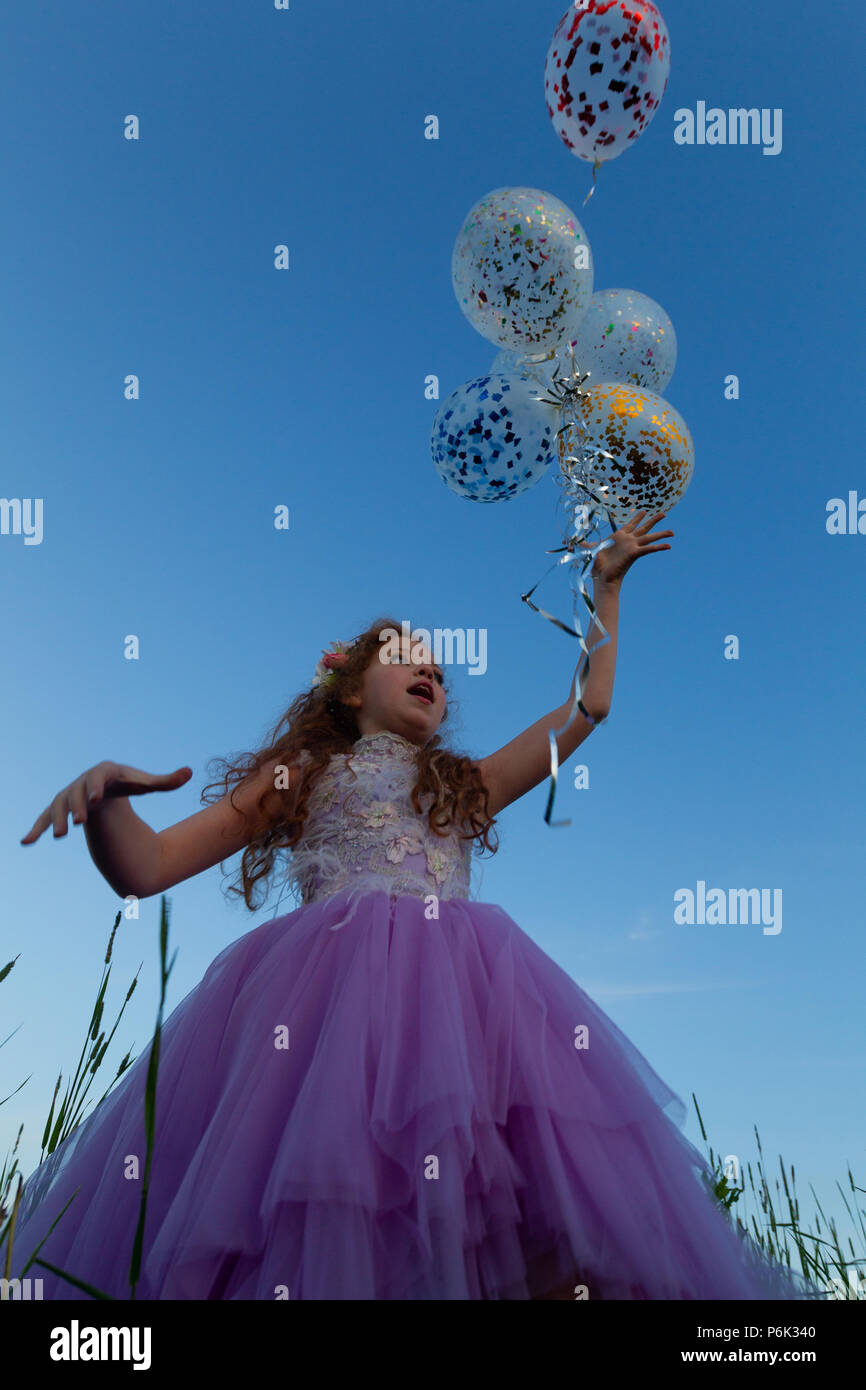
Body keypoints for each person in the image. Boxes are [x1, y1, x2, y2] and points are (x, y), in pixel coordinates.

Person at [11, 511, 823, 1299]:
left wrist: (604, 593)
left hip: (466, 1018)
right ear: (347, 688)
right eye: (405, 658)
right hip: (317, 1017)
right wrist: (109, 800)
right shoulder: (303, 769)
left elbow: (587, 711)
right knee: (330, 1200)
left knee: (512, 1211)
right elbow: (148, 868)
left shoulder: (464, 785)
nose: (430, 670)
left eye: (438, 665)